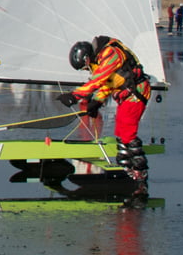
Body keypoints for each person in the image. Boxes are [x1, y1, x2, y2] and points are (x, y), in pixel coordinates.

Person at [59, 35, 153, 179]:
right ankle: (126, 166)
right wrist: (97, 101)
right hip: (125, 95)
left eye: (85, 67)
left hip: (137, 92)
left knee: (127, 130)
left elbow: (99, 79)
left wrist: (74, 95)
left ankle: (139, 170)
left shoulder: (111, 53)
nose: (86, 70)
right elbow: (107, 84)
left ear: (86, 58)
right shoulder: (99, 60)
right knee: (120, 131)